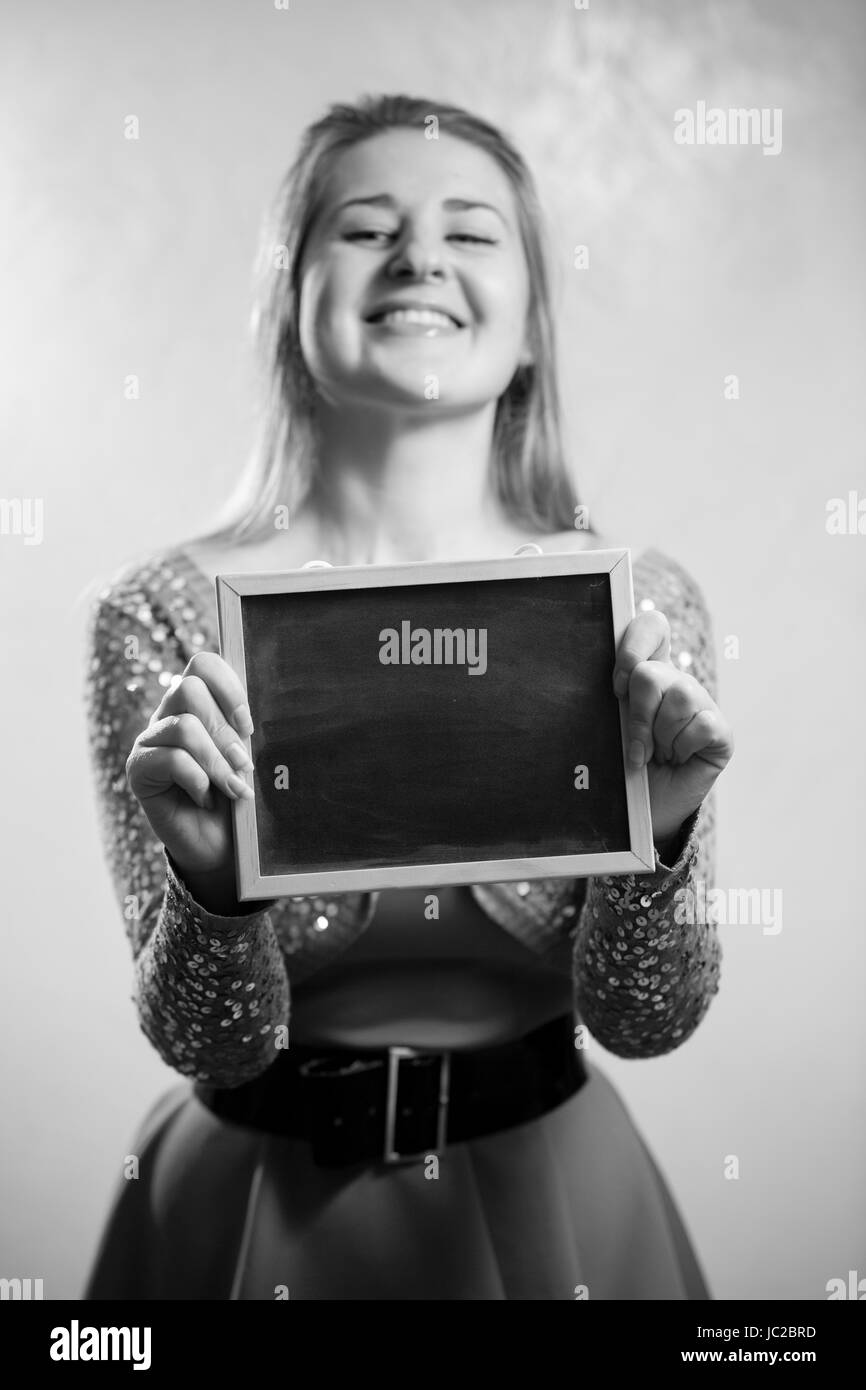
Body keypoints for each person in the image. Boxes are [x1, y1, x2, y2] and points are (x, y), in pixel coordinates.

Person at [82, 93, 733, 1300]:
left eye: (472, 232)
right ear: (292, 305)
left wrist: (667, 846)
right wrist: (213, 895)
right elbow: (202, 1040)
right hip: (243, 1220)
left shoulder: (639, 611)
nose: (419, 256)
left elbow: (650, 1021)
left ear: (533, 319)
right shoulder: (162, 616)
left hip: (562, 1211)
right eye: (365, 227)